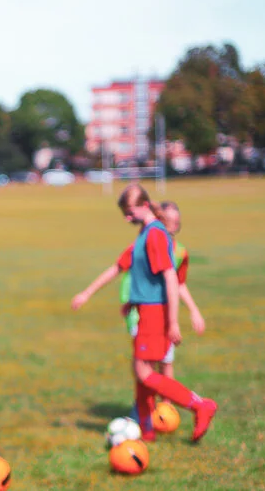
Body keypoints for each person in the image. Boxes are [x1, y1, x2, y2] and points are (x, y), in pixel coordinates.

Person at [72, 185, 216, 443]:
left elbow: (170, 278)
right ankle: (147, 430)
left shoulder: (155, 235)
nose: (127, 219)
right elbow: (121, 268)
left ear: (144, 206)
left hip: (155, 312)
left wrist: (172, 322)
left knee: (145, 372)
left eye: (129, 212)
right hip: (144, 308)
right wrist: (91, 293)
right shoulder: (143, 235)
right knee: (141, 370)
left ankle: (199, 405)